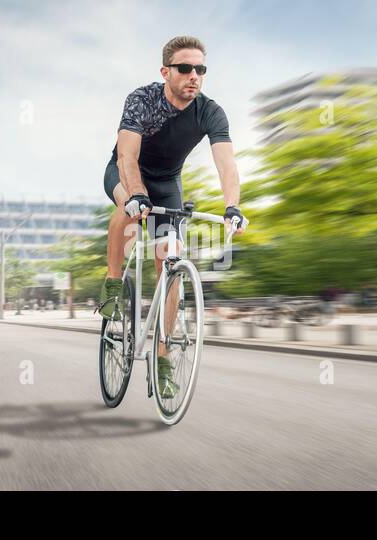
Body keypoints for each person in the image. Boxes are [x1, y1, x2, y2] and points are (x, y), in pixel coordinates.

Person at [96, 35, 247, 399]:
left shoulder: (210, 111)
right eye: (184, 68)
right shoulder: (142, 100)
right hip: (125, 174)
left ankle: (162, 361)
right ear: (166, 71)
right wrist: (135, 194)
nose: (193, 75)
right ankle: (113, 284)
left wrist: (233, 206)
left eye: (200, 69)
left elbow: (226, 163)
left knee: (172, 259)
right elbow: (127, 157)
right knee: (128, 213)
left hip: (167, 184)